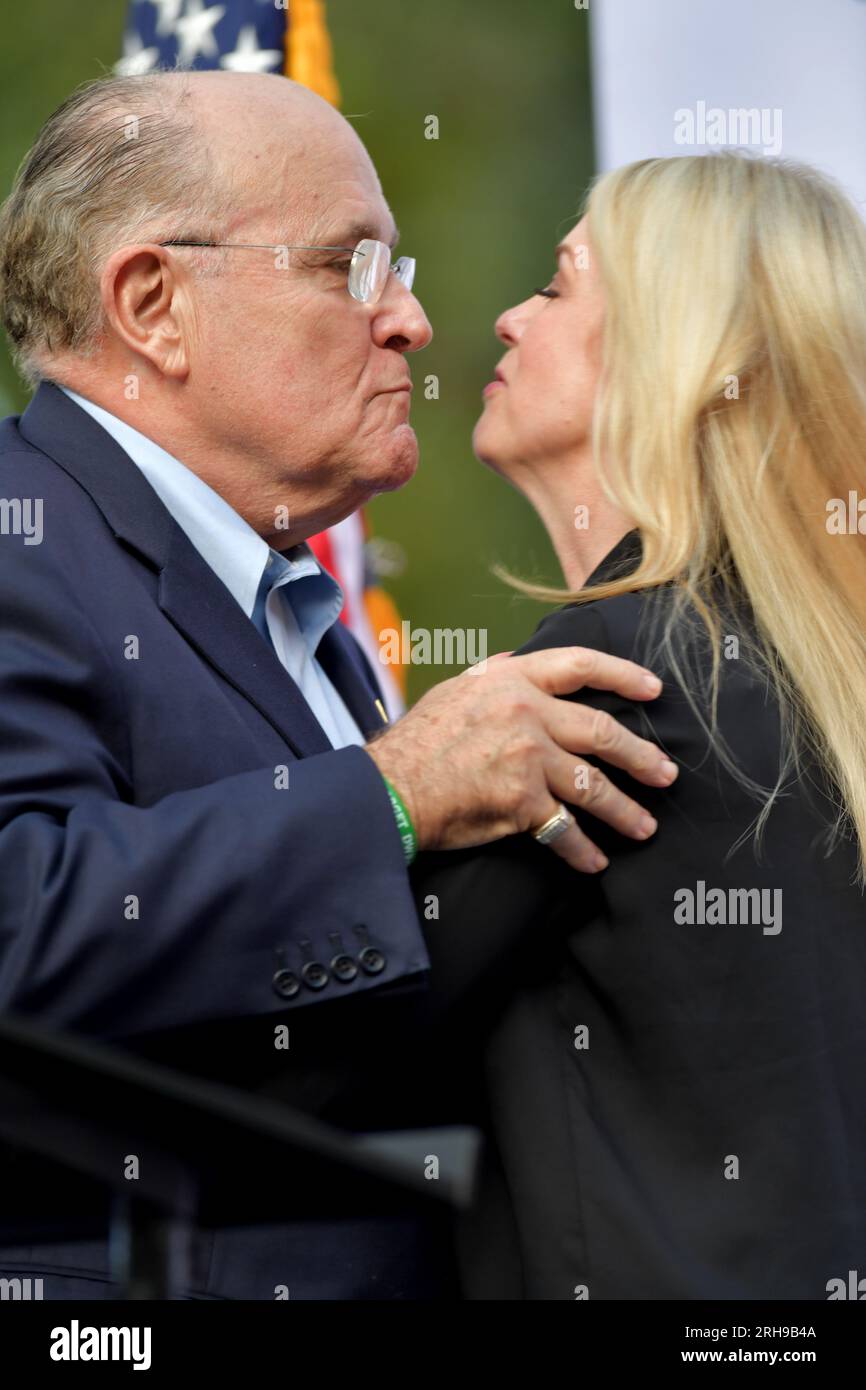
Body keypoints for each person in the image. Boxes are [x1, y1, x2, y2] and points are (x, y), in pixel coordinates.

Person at [0, 71, 677, 1301]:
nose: (411, 322)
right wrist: (396, 790)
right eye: (349, 267)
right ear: (154, 305)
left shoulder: (294, 603)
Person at [415, 152, 866, 1300]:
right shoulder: (799, 669)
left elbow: (331, 1046)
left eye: (561, 285)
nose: (508, 318)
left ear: (685, 352)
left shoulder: (613, 678)